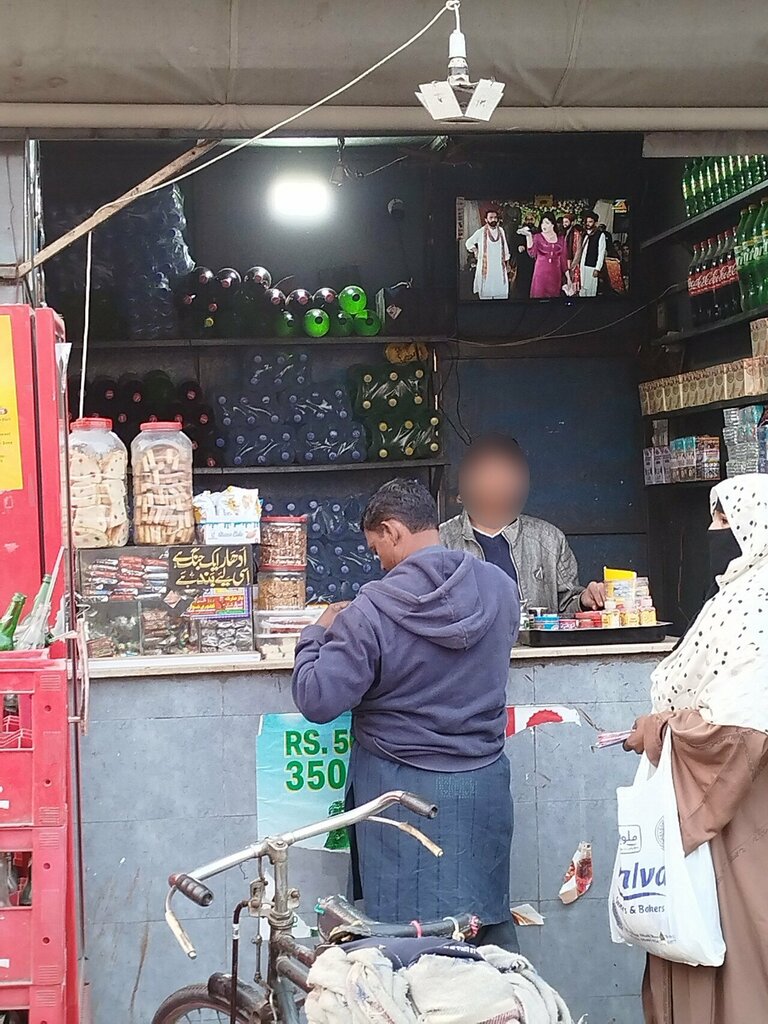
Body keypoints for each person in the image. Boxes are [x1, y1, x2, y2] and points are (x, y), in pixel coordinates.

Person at [292, 478, 520, 950]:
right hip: (482, 789)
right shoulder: (500, 588)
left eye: (378, 549)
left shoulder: (370, 610)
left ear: (393, 531)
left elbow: (317, 698)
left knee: (406, 942)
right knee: (482, 929)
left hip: (402, 798)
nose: (379, 563)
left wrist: (315, 633)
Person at [625, 474, 768, 1024]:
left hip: (738, 820)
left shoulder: (753, 606)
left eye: (723, 520)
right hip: (727, 807)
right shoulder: (733, 599)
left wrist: (658, 731)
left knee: (733, 953)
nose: (710, 531)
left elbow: (734, 734)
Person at [440, 434, 605, 614]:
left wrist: (584, 601)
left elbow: (566, 609)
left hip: (532, 642)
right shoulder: (442, 541)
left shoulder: (549, 539)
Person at [517, 211, 570, 299]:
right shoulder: (538, 237)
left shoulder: (561, 239)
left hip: (555, 276)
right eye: (542, 223)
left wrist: (569, 279)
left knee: (553, 302)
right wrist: (528, 236)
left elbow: (563, 261)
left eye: (547, 223)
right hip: (540, 275)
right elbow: (532, 253)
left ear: (553, 224)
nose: (544, 225)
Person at [465, 205, 511, 300]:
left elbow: (505, 247)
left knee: (500, 292)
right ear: (486, 220)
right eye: (491, 218)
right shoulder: (481, 232)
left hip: (499, 266)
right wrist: (475, 250)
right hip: (486, 266)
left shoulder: (501, 231)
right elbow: (468, 243)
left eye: (495, 217)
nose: (493, 219)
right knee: (486, 291)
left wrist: (507, 263)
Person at [578, 211, 606, 297]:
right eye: (586, 222)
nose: (588, 224)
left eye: (590, 222)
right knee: (582, 289)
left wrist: (597, 268)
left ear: (595, 223)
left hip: (592, 266)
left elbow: (601, 253)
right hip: (582, 265)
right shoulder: (583, 234)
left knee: (591, 291)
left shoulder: (600, 235)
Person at [561, 212, 584, 295]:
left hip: (572, 261)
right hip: (563, 260)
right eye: (563, 222)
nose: (564, 224)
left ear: (572, 222)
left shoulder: (576, 234)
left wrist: (573, 265)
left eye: (566, 222)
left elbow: (578, 251)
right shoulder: (563, 232)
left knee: (572, 286)